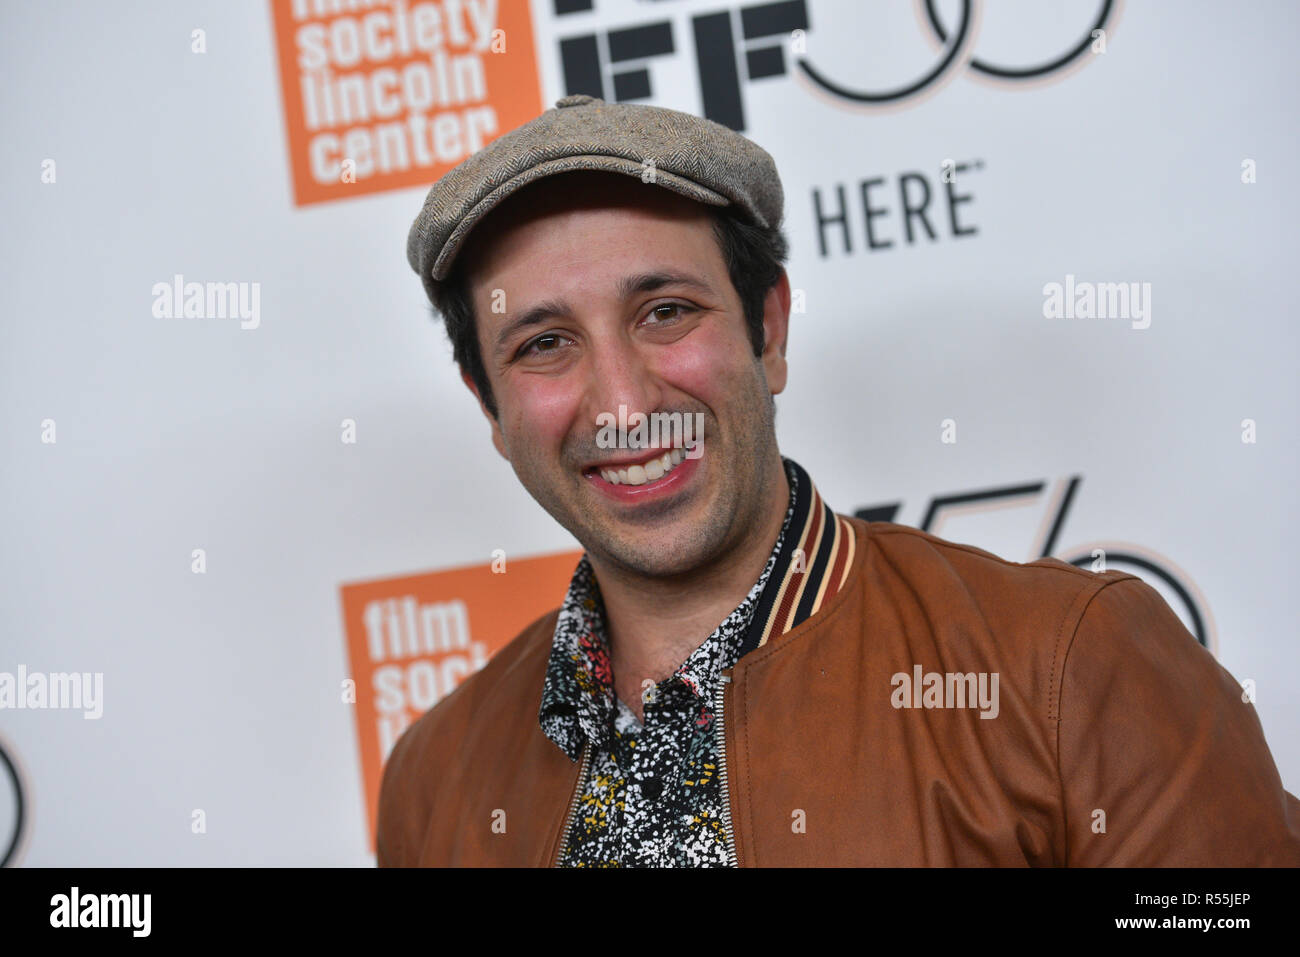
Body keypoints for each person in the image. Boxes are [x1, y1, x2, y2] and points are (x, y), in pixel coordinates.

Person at [377, 94, 1300, 866]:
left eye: (665, 311)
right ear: (490, 407)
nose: (621, 405)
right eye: (544, 344)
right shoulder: (435, 777)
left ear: (768, 331)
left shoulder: (1072, 672)